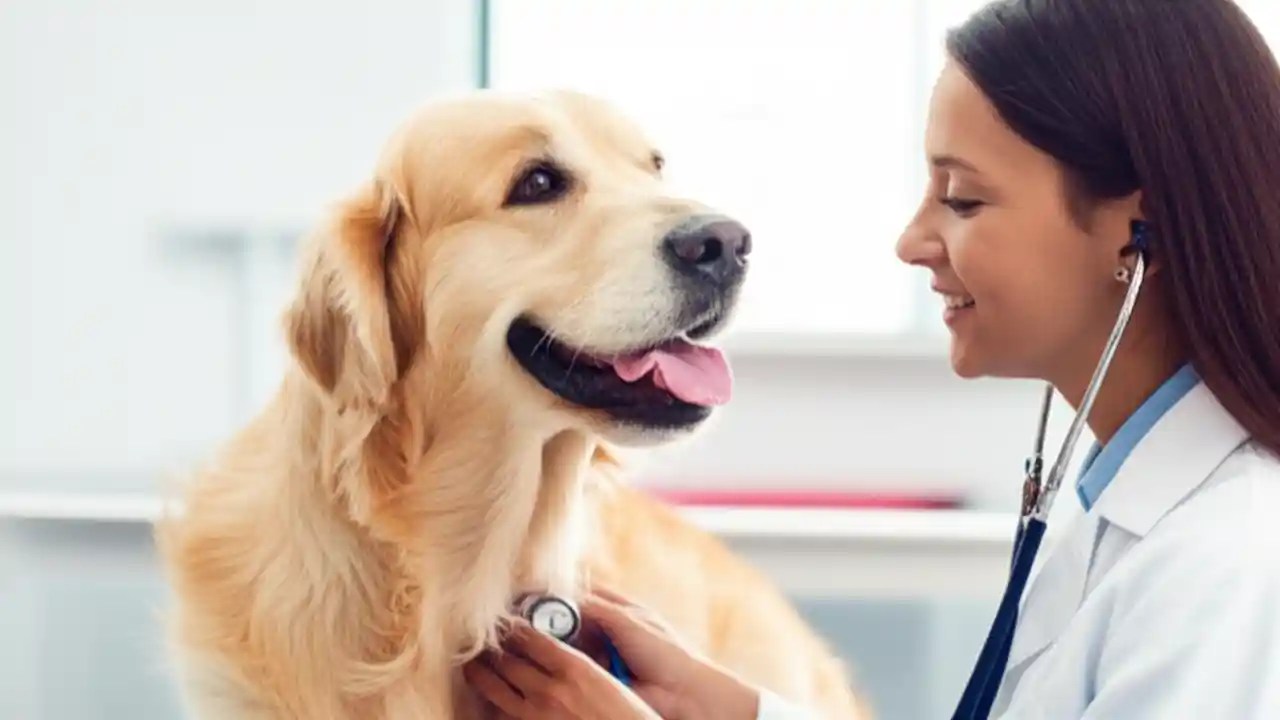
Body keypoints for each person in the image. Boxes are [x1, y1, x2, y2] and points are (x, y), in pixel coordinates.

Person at [463, 0, 1280, 717]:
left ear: (1142, 228)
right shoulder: (1115, 495)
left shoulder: (1227, 563)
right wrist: (732, 711)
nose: (912, 241)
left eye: (963, 199)